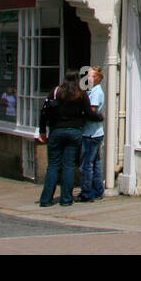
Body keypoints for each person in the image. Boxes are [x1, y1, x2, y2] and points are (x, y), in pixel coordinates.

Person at [36, 70, 98, 207]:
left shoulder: (56, 92)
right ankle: (66, 199)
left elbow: (44, 112)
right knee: (69, 166)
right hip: (74, 132)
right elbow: (89, 113)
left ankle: (46, 200)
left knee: (53, 166)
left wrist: (42, 131)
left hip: (56, 131)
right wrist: (100, 117)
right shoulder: (81, 94)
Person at [78, 66, 105, 202]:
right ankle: (97, 190)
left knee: (86, 165)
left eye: (92, 76)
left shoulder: (96, 92)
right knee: (95, 163)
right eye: (87, 76)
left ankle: (87, 192)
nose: (88, 78)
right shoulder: (90, 91)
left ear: (98, 78)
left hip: (91, 133)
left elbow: (91, 112)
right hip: (93, 132)